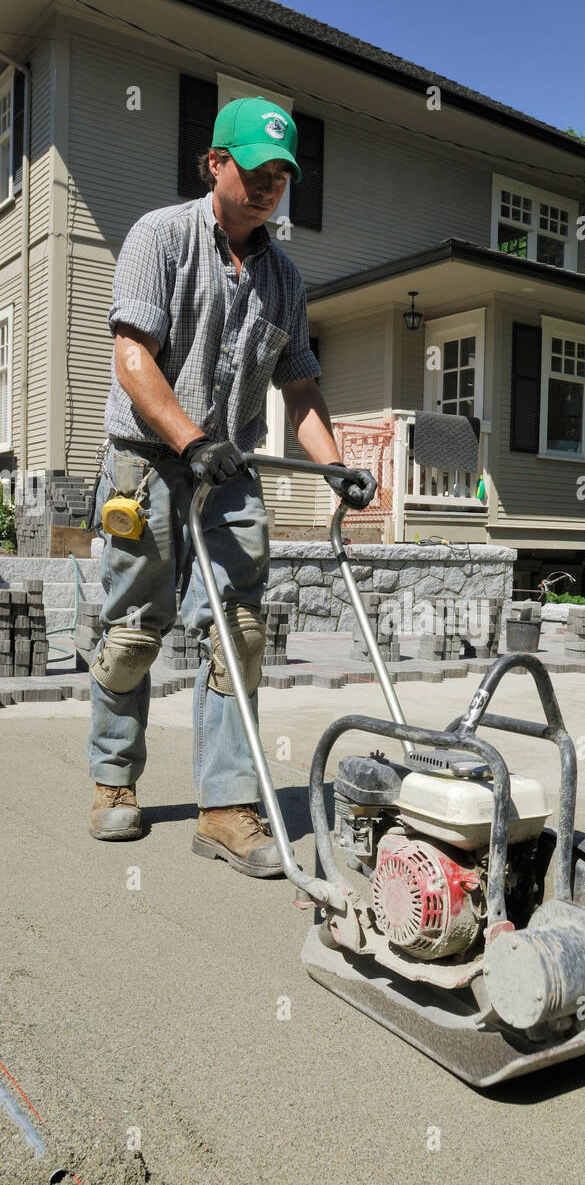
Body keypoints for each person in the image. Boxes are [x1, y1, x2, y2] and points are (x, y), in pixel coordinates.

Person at [86, 96, 375, 876]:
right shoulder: (160, 237)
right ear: (215, 163)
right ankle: (115, 781)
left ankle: (224, 806)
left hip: (232, 474)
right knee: (133, 634)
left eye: (280, 174)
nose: (268, 186)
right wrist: (190, 438)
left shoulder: (285, 277)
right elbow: (133, 359)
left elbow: (302, 389)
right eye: (254, 170)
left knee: (237, 636)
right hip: (147, 462)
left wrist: (334, 465)